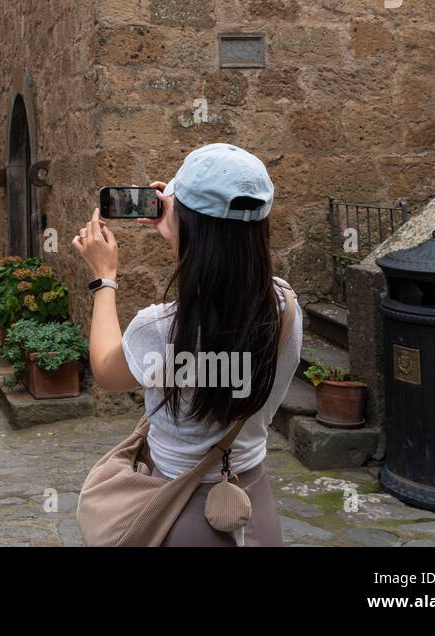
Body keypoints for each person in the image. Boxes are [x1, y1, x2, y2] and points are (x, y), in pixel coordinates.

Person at [72, 143, 303, 546]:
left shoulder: (160, 328)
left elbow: (107, 370)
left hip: (176, 512)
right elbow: (224, 275)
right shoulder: (285, 306)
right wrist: (184, 225)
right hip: (254, 506)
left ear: (188, 224)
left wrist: (103, 278)